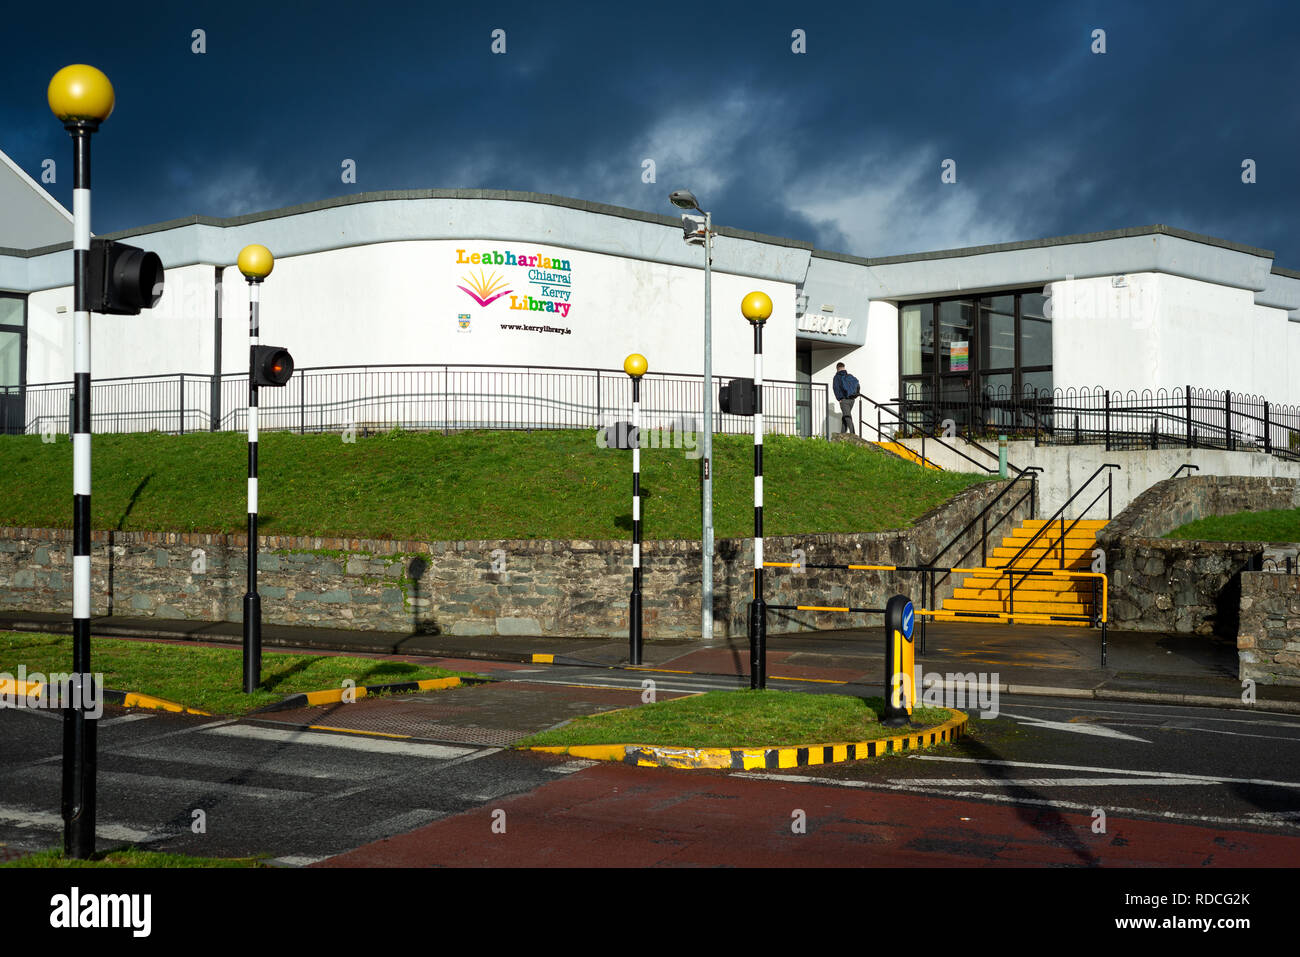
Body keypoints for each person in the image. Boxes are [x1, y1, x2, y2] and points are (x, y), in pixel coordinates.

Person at [832, 362, 860, 434]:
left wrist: (839, 399)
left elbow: (836, 388)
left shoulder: (837, 377)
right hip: (852, 400)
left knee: (847, 417)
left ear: (837, 368)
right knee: (845, 416)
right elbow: (857, 386)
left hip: (844, 400)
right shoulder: (849, 376)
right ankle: (842, 433)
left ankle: (853, 433)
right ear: (844, 367)